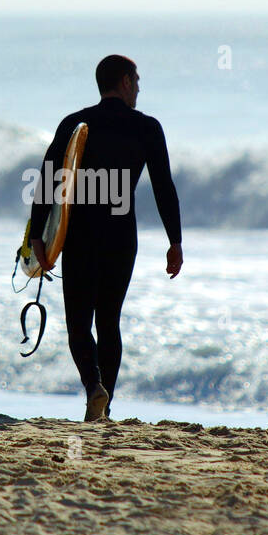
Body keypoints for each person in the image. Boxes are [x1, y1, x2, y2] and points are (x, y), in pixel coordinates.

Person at [29, 54, 183, 422]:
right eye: (137, 80)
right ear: (126, 82)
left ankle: (93, 388)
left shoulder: (75, 123)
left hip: (81, 234)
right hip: (120, 235)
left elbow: (48, 178)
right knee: (109, 321)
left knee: (79, 324)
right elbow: (164, 186)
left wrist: (37, 234)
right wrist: (174, 241)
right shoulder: (146, 128)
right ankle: (104, 409)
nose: (140, 88)